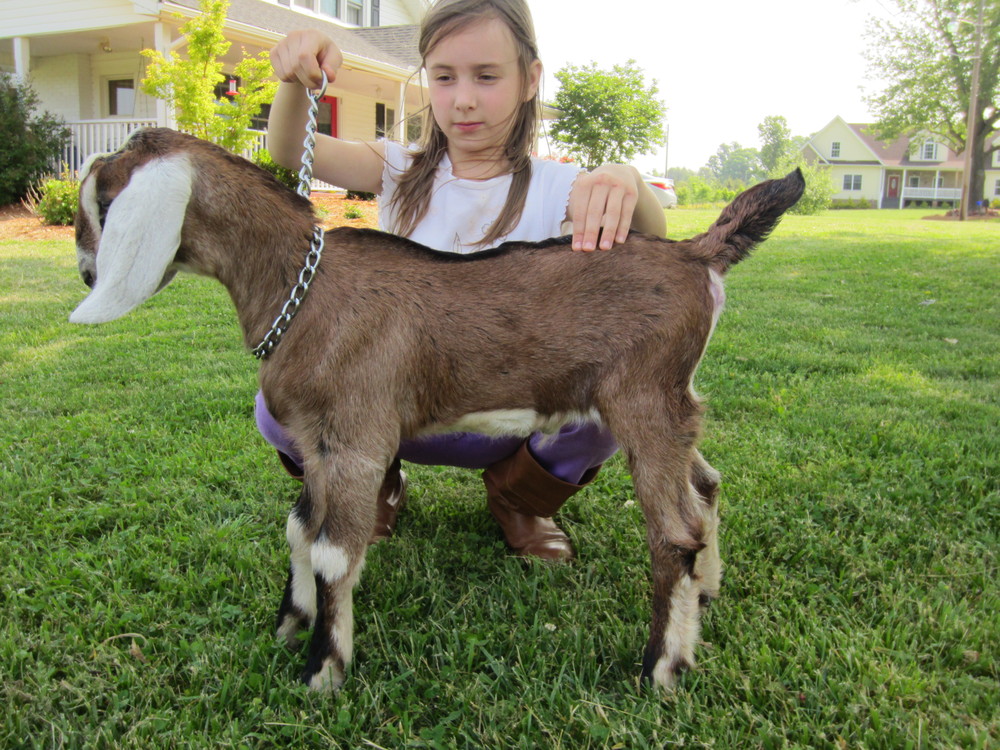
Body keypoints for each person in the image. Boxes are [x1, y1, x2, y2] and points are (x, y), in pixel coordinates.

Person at [258, 0, 666, 560]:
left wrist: (627, 181)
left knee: (604, 410)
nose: (463, 99)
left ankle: (519, 498)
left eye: (487, 76)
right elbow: (287, 149)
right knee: (277, 406)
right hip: (395, 410)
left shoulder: (560, 186)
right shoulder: (398, 169)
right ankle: (373, 482)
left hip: (511, 414)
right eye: (445, 77)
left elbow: (652, 238)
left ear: (530, 79)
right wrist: (296, 80)